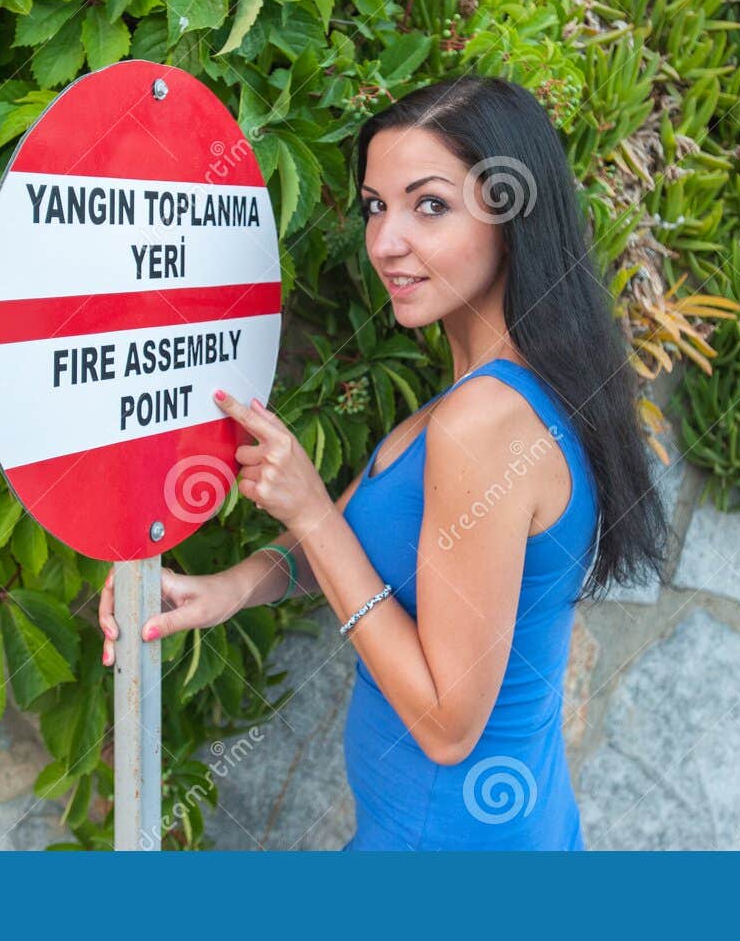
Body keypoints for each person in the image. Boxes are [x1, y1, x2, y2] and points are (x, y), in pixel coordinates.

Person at [99, 75, 668, 849]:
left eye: (428, 205)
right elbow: (355, 545)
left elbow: (446, 725)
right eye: (376, 206)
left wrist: (307, 507)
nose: (386, 241)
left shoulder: (486, 420)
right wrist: (227, 588)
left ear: (510, 217)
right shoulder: (499, 392)